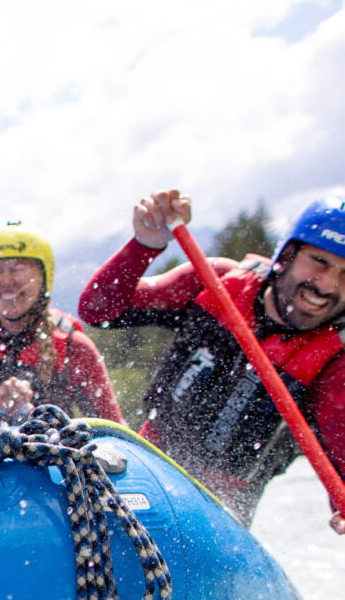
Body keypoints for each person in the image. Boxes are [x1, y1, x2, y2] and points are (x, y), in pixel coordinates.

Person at [77, 190, 345, 528]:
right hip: (145, 468)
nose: (327, 285)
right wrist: (144, 246)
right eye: (319, 262)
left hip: (222, 516)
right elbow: (98, 311)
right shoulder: (216, 282)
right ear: (288, 256)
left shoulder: (334, 362)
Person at [0, 224, 124, 425]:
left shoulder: (74, 346)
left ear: (43, 279)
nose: (7, 280)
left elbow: (113, 427)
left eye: (18, 268)